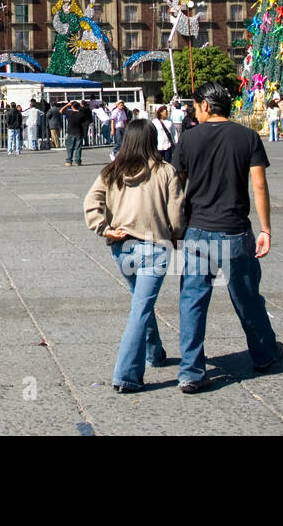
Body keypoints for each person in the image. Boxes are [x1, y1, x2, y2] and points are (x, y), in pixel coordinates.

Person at [173, 82, 282, 393]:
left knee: (192, 301)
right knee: (248, 298)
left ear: (207, 106)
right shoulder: (247, 137)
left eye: (195, 107)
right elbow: (259, 185)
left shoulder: (189, 138)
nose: (195, 113)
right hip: (235, 230)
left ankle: (191, 372)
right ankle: (263, 355)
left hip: (197, 231)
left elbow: (176, 187)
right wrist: (266, 228)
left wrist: (173, 226)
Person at [84, 119, 186, 392]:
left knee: (141, 303)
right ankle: (126, 375)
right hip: (155, 247)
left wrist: (104, 228)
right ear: (152, 141)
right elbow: (176, 213)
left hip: (122, 247)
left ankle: (154, 353)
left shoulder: (111, 171)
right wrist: (176, 235)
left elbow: (91, 201)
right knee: (141, 307)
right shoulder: (165, 171)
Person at [63, 100, 91, 167]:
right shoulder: (81, 114)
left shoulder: (69, 113)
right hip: (79, 132)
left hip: (70, 132)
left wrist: (67, 105)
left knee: (70, 147)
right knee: (78, 148)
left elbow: (61, 111)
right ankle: (77, 161)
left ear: (72, 106)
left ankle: (68, 161)